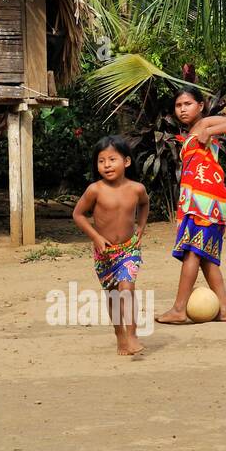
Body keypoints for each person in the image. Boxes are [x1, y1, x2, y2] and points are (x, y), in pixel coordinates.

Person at [156, 85, 226, 324]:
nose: (183, 109)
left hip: (205, 203)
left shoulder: (204, 125)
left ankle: (178, 309)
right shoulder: (190, 133)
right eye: (178, 105)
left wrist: (211, 130)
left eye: (187, 104)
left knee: (192, 253)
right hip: (197, 203)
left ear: (200, 106)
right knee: (204, 255)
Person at [72, 135, 150, 355]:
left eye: (112, 159)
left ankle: (133, 334)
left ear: (126, 162)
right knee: (113, 295)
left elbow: (145, 205)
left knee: (127, 288)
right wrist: (95, 237)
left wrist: (141, 226)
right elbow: (78, 215)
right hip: (104, 254)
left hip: (129, 249)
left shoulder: (136, 189)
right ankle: (120, 335)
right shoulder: (94, 190)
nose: (106, 165)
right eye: (101, 160)